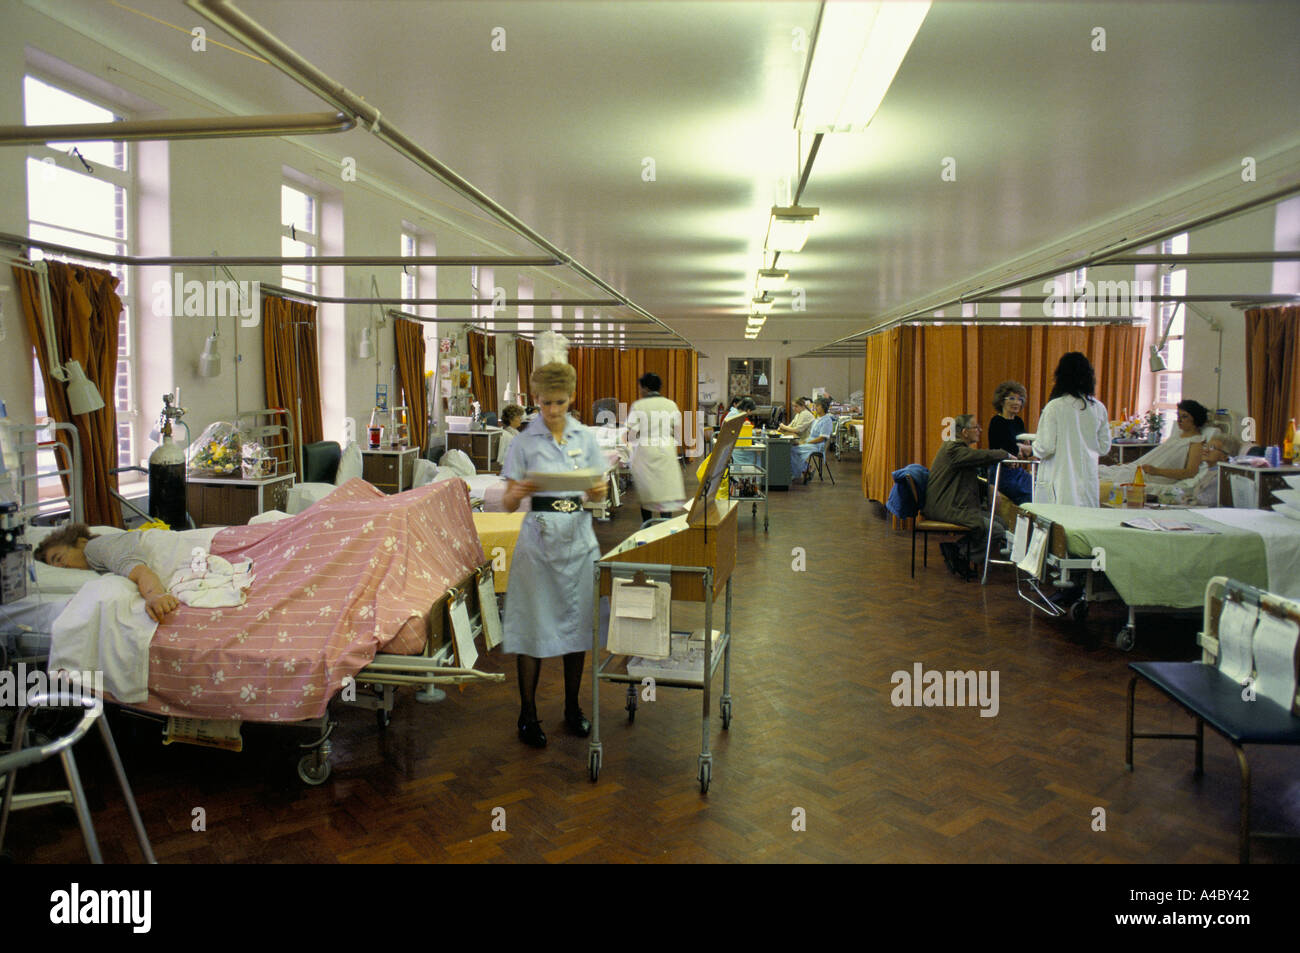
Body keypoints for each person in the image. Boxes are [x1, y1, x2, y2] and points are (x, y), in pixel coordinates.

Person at [499, 361, 608, 748]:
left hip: (578, 540)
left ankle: (572, 708)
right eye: (546, 404)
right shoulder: (524, 441)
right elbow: (508, 503)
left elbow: (600, 488)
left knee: (576, 626)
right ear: (535, 400)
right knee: (532, 628)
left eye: (560, 403)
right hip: (538, 541)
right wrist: (519, 490)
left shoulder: (585, 438)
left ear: (572, 398)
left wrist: (597, 492)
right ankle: (527, 714)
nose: (554, 411)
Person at [35, 524, 180, 623]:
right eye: (55, 566)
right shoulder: (100, 565)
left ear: (80, 542)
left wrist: (155, 596)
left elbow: (141, 571)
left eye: (59, 558)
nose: (62, 566)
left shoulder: (95, 547)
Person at [926, 415, 1010, 580]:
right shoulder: (953, 449)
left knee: (1000, 522)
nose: (979, 430)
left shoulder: (958, 448)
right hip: (945, 506)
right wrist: (1004, 454)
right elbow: (980, 457)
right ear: (964, 432)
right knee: (996, 530)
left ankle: (958, 549)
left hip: (952, 503)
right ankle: (961, 554)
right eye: (976, 427)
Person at [1032, 352, 1111, 506]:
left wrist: (1033, 448)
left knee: (1058, 524)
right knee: (1084, 524)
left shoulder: (1055, 407)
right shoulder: (1098, 408)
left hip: (1060, 481)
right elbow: (1104, 448)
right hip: (1088, 483)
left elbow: (1046, 447)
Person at [1100, 399, 1215, 485]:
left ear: (1195, 418)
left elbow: (1190, 473)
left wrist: (1156, 471)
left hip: (1157, 476)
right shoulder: (1176, 436)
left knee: (1109, 476)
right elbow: (1156, 457)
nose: (1179, 420)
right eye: (1178, 416)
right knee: (1102, 470)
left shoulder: (1196, 442)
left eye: (1184, 417)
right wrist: (1133, 464)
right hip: (1144, 470)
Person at [627, 372, 686, 524]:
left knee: (647, 492)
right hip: (666, 450)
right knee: (665, 491)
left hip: (645, 451)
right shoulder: (671, 405)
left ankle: (647, 526)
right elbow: (679, 434)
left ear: (645, 388)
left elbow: (631, 433)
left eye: (640, 388)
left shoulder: (639, 406)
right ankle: (665, 527)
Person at [987, 380, 1034, 504]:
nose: (1016, 402)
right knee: (1028, 493)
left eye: (1020, 399)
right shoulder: (996, 421)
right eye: (1012, 398)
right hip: (1002, 471)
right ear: (1002, 401)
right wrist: (1019, 449)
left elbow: (1026, 450)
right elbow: (1004, 448)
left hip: (1017, 470)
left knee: (1038, 489)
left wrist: (1021, 449)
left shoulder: (1018, 421)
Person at [792, 395, 836, 483]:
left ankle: (806, 470)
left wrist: (805, 443)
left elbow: (821, 438)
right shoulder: (817, 419)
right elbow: (811, 435)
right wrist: (803, 442)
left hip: (818, 445)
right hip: (811, 442)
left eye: (817, 406)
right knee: (791, 447)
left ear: (823, 407)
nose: (815, 407)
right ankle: (806, 469)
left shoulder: (827, 421)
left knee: (793, 450)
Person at [496, 403, 526, 469]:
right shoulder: (508, 436)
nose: (521, 419)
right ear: (511, 419)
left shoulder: (515, 432)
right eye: (518, 417)